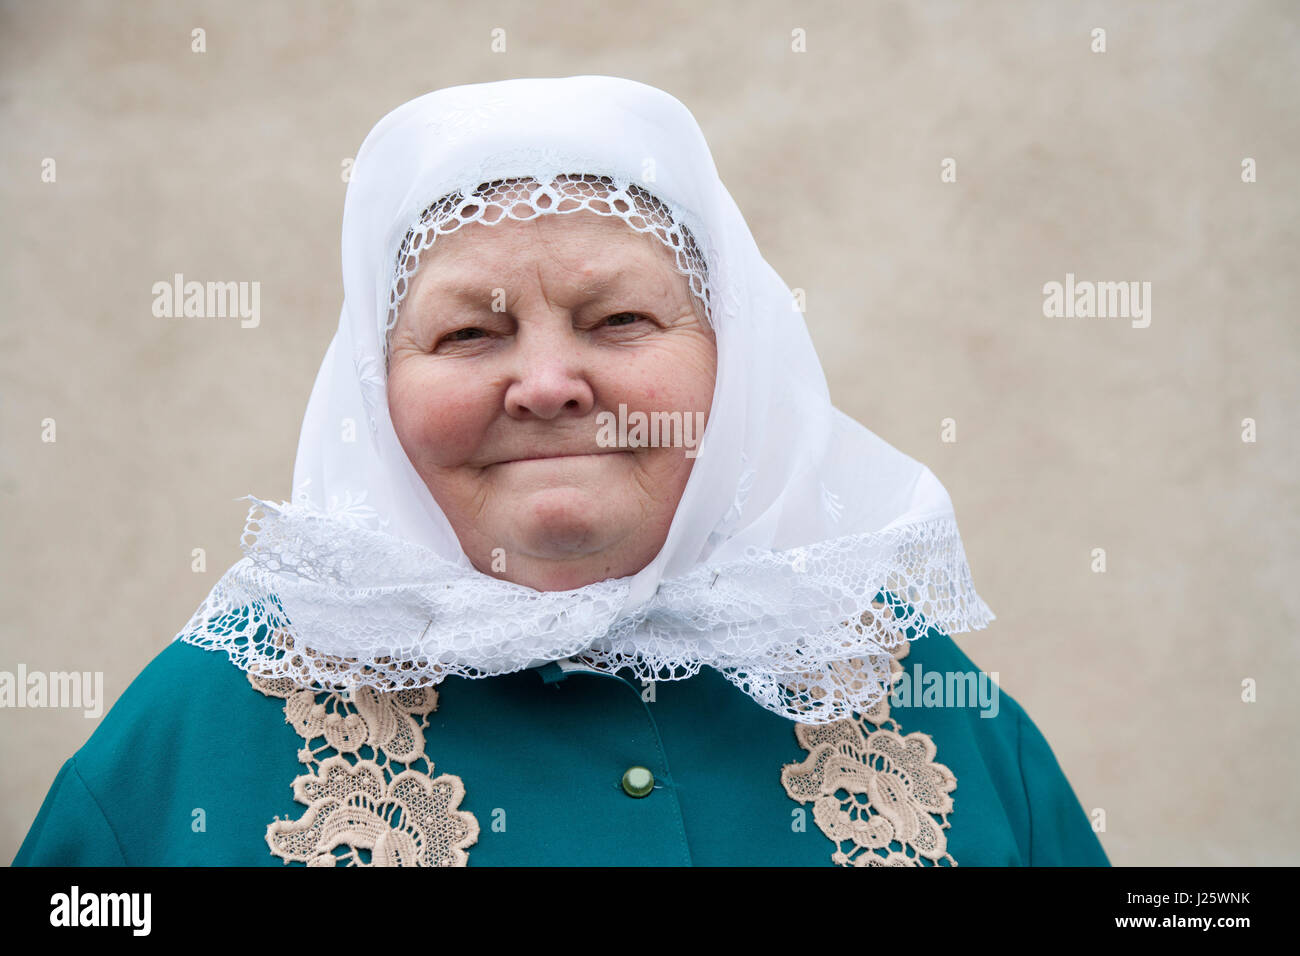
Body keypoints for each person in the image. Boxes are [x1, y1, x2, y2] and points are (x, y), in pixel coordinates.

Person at [12, 75, 1108, 867]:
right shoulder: (184, 742)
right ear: (373, 390)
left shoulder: (926, 701)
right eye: (469, 336)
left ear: (735, 365)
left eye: (620, 318)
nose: (546, 383)